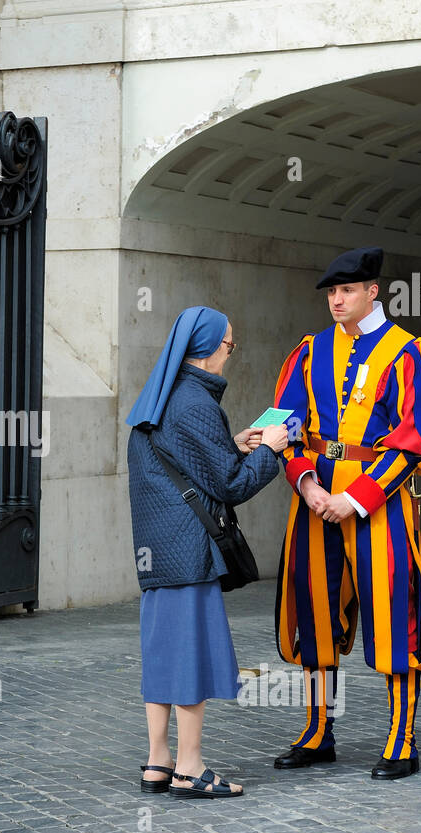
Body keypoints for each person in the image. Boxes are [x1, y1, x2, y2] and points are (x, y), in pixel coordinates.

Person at [271, 247, 421, 779]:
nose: (337, 300)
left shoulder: (408, 352)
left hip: (378, 503)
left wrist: (354, 499)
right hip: (313, 498)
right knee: (314, 607)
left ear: (373, 291)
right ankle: (316, 730)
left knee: (392, 610)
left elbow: (418, 437)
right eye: (331, 292)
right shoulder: (308, 352)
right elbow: (285, 424)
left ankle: (402, 738)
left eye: (347, 291)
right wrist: (306, 482)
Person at [126, 306, 288, 798]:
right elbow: (231, 485)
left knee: (161, 656)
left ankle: (159, 760)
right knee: (190, 657)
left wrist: (234, 443)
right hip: (190, 554)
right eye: (230, 345)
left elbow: (191, 461)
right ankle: (191, 767)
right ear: (212, 348)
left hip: (157, 554)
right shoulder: (195, 403)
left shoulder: (159, 398)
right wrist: (272, 449)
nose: (230, 353)